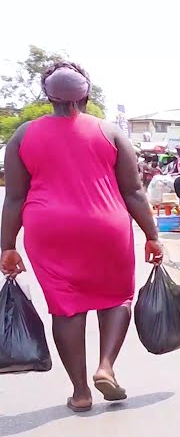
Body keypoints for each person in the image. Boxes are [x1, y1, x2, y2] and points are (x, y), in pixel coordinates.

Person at [0, 62, 164, 412]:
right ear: (86, 94)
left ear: (49, 96)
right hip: (105, 225)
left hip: (49, 230)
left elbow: (14, 197)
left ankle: (80, 392)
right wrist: (152, 235)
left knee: (65, 307)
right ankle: (106, 366)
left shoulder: (23, 136)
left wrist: (8, 246)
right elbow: (134, 191)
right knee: (116, 297)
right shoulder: (111, 133)